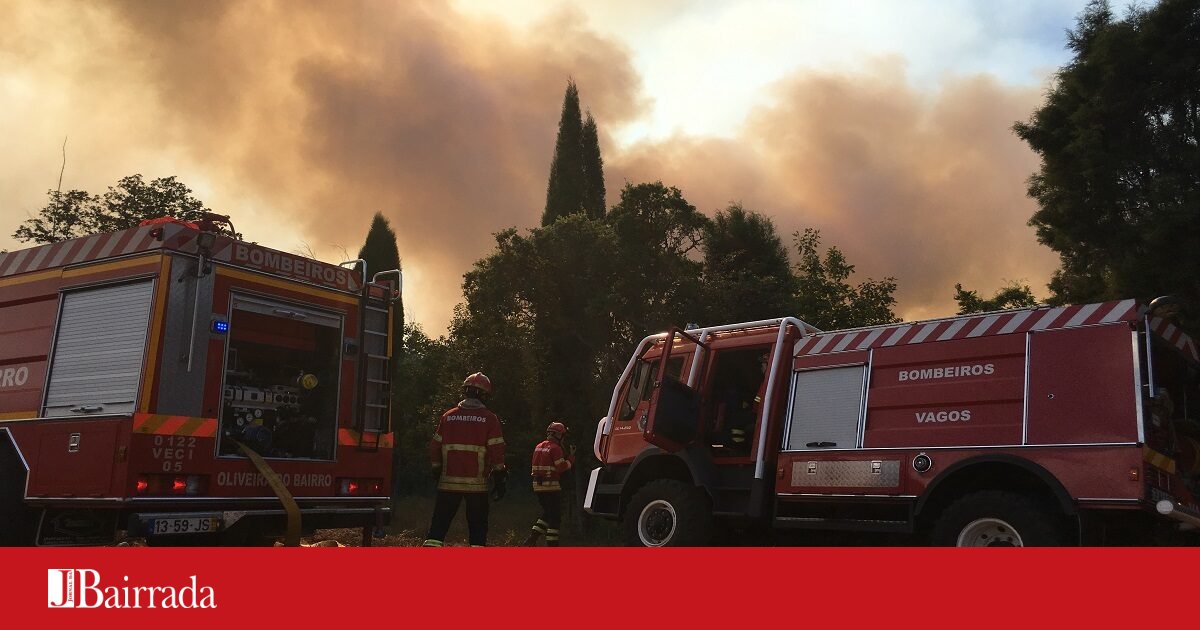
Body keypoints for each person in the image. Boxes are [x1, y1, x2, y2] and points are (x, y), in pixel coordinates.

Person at [422, 372, 507, 547]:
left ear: (465, 391)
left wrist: (437, 469)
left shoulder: (448, 416)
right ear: (484, 395)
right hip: (477, 487)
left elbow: (434, 446)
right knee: (477, 530)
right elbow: (496, 451)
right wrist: (500, 477)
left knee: (437, 529)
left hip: (447, 484)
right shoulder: (490, 419)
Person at [524, 421, 575, 546]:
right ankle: (552, 544)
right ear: (558, 435)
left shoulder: (538, 446)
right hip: (552, 487)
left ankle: (532, 539)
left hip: (538, 486)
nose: (564, 439)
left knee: (548, 513)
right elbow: (561, 467)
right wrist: (571, 458)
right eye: (563, 436)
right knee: (555, 517)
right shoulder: (555, 448)